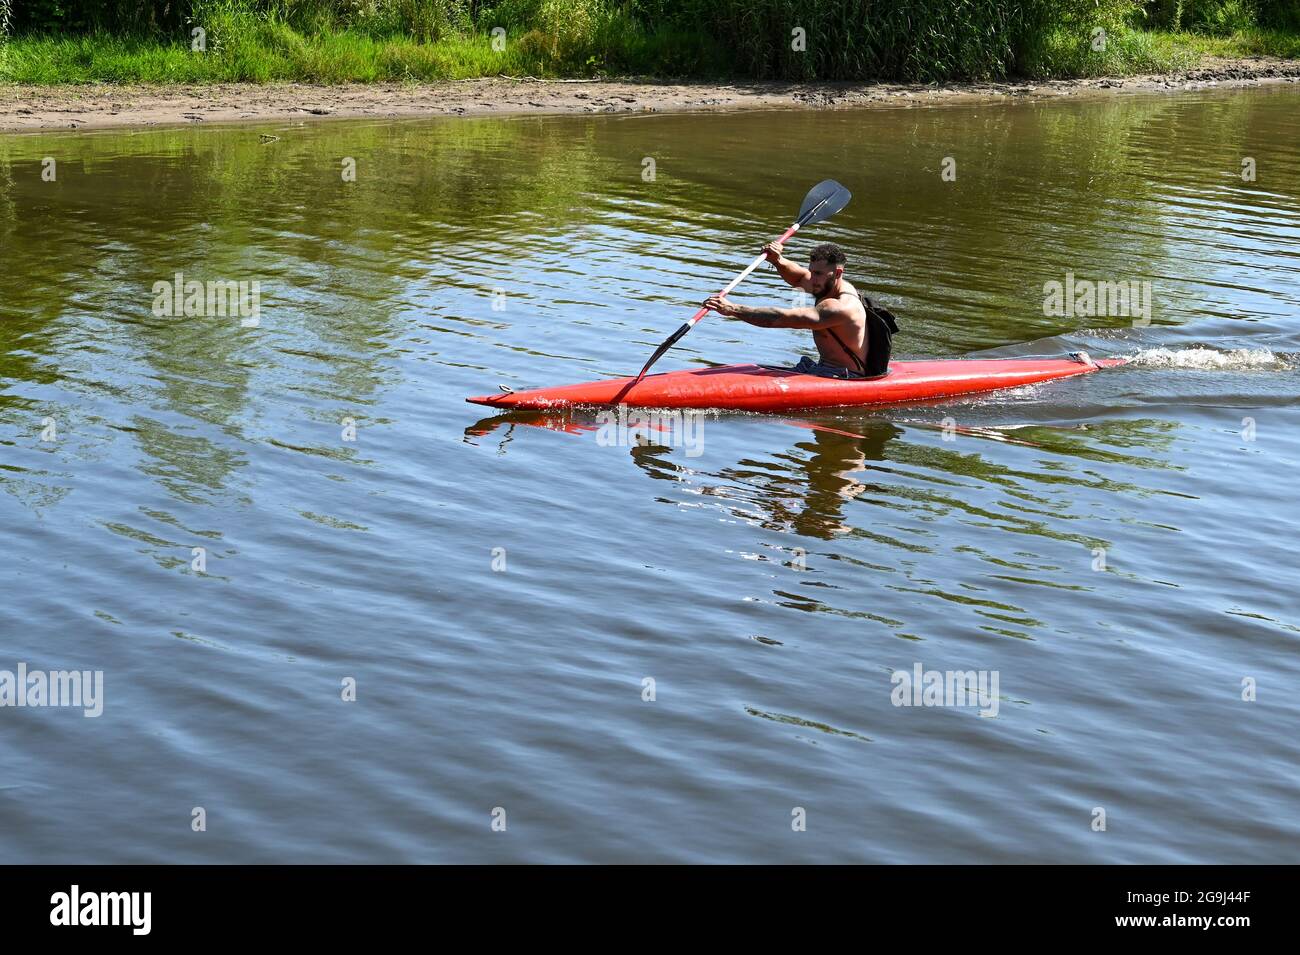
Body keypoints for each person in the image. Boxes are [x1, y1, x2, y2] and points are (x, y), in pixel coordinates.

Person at [703, 242, 896, 379]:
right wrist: (777, 260)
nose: (811, 279)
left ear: (837, 273)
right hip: (822, 369)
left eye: (818, 273)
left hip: (844, 378)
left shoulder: (841, 307)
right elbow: (797, 277)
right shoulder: (825, 284)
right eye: (812, 271)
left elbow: (781, 319)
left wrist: (732, 308)